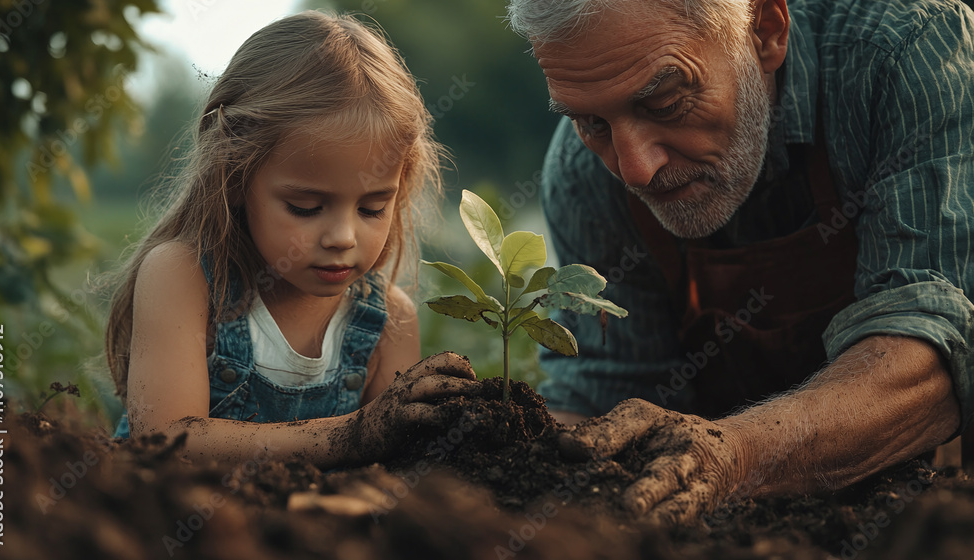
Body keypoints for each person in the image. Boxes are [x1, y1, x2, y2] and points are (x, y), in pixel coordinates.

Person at [506, 0, 974, 523]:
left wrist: (733, 457)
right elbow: (605, 399)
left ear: (765, 30)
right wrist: (484, 434)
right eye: (592, 124)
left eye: (664, 103)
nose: (635, 170)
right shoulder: (583, 177)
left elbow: (932, 353)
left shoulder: (897, 54)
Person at [103, 11, 476, 467]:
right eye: (305, 207)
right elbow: (165, 439)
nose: (342, 237)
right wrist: (355, 433)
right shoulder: (182, 277)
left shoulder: (389, 321)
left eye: (372, 208)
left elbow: (396, 464)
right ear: (235, 178)